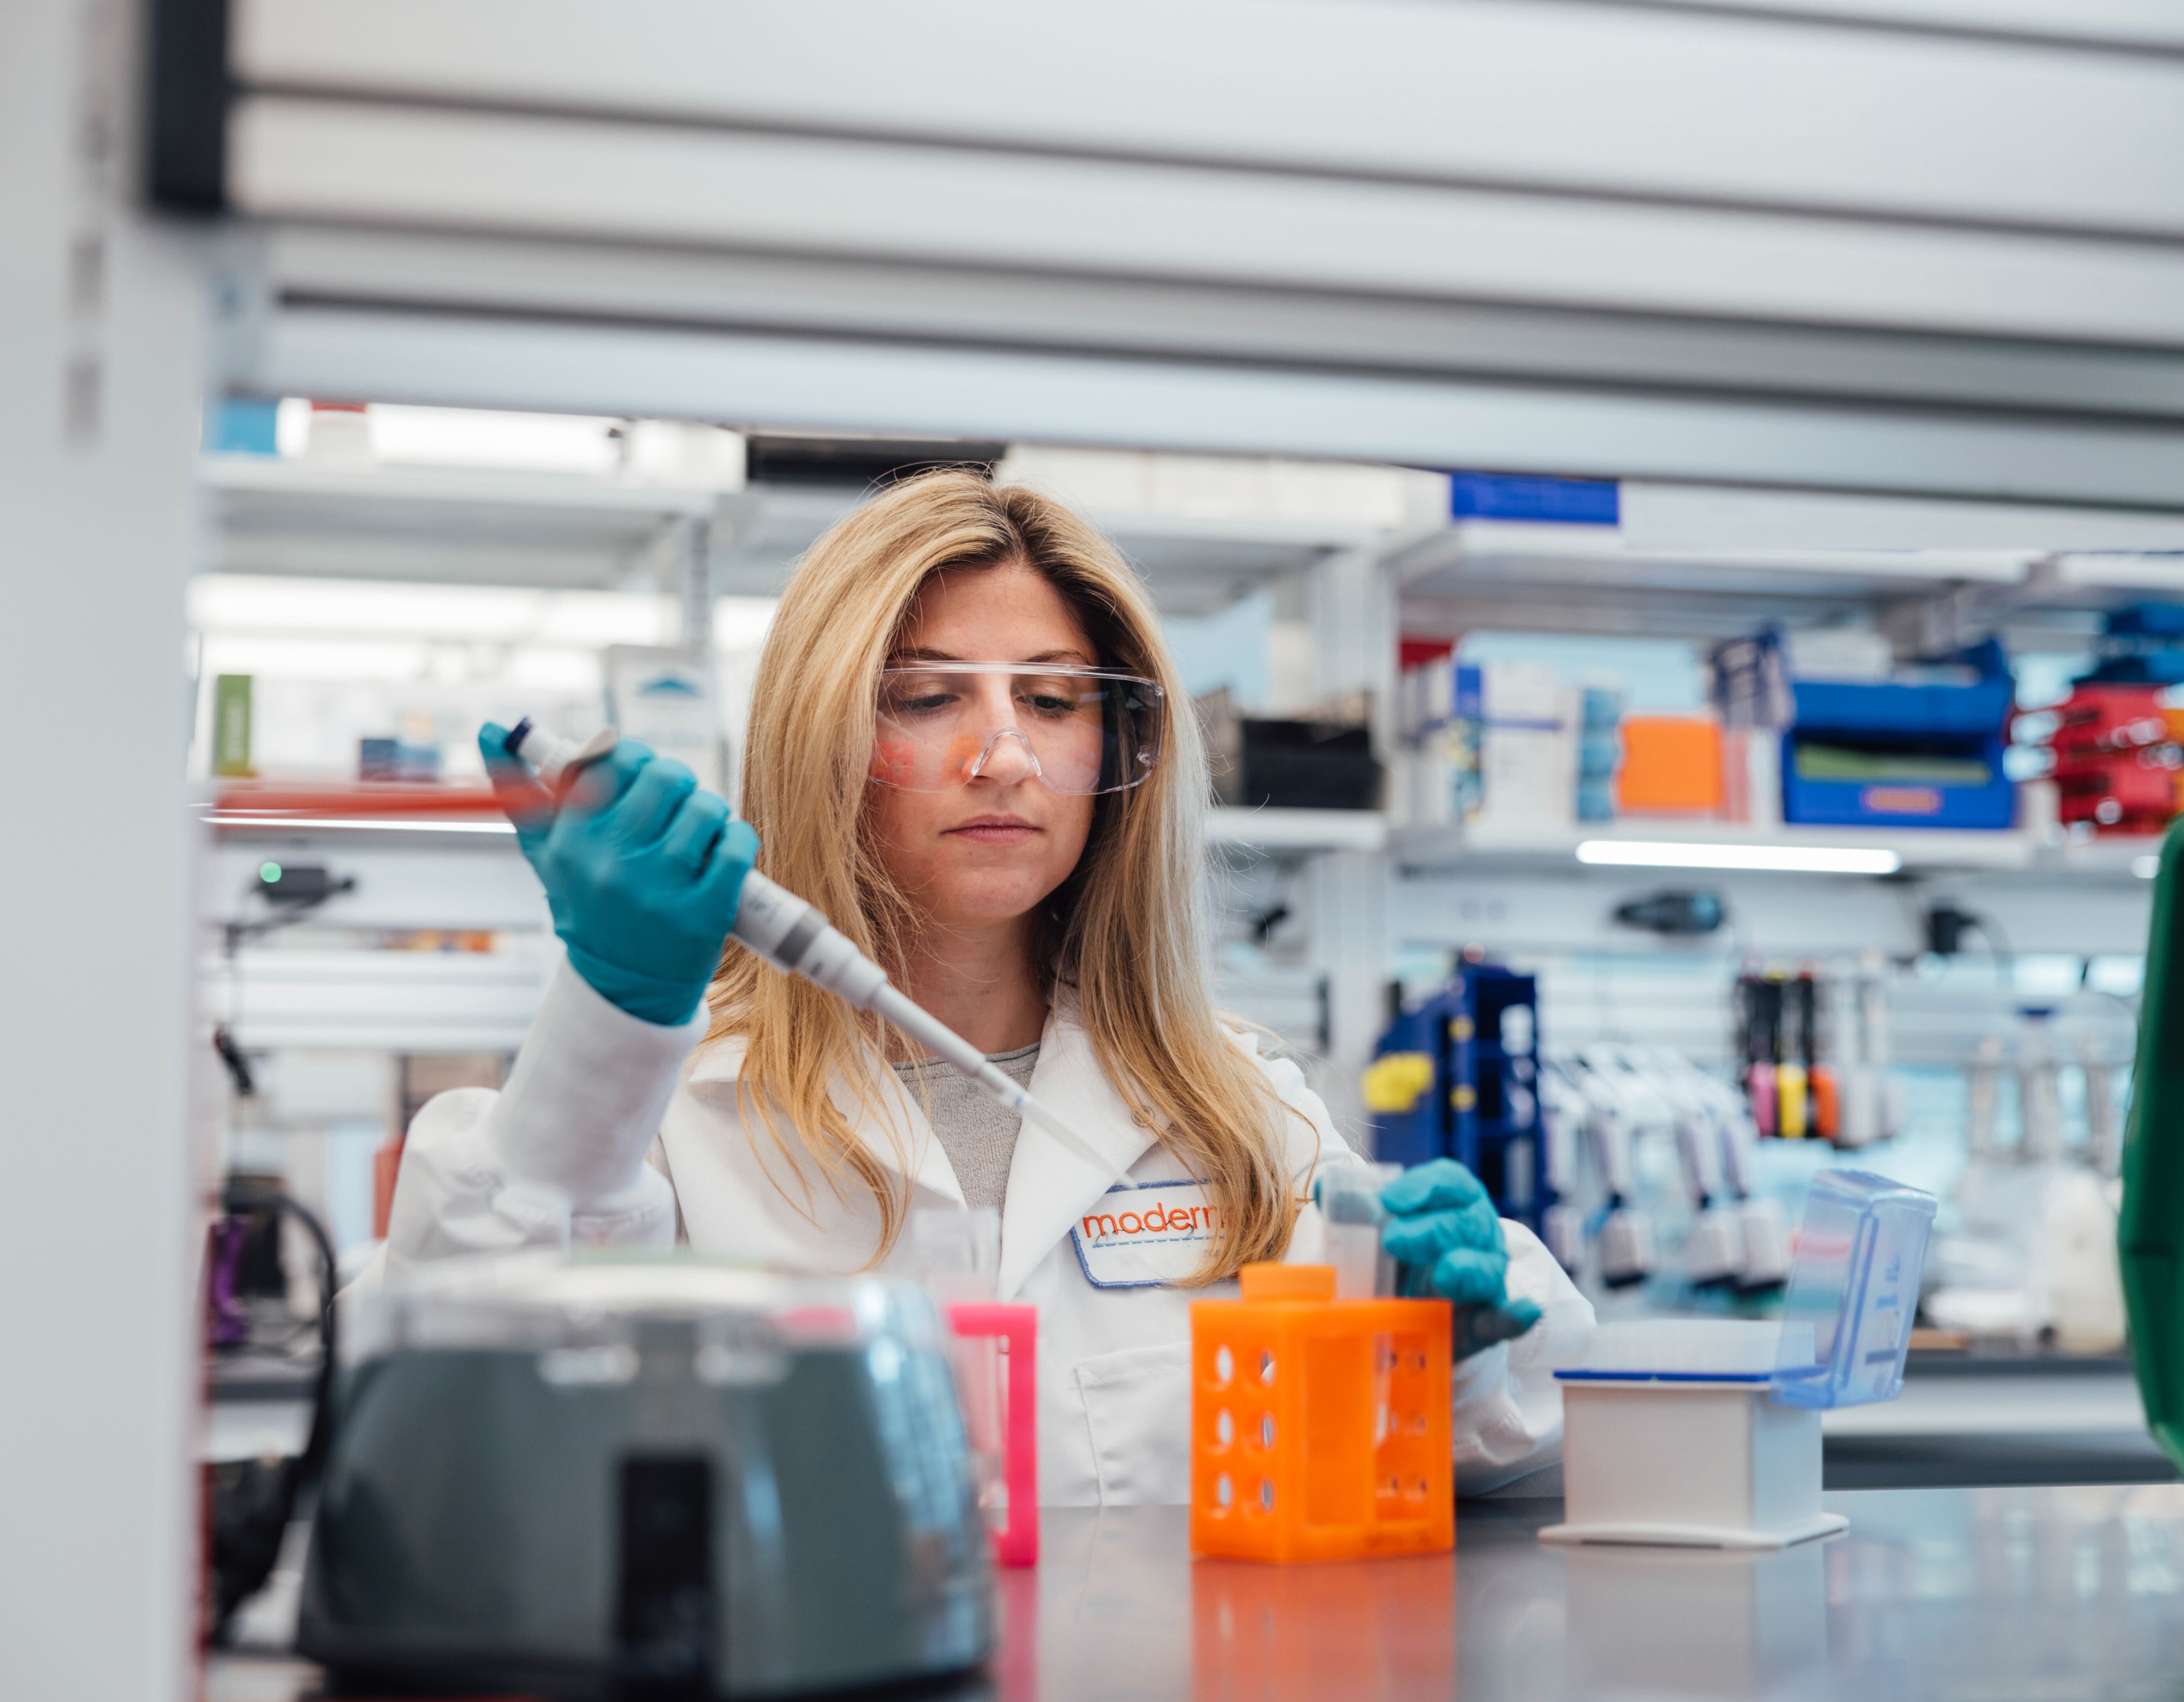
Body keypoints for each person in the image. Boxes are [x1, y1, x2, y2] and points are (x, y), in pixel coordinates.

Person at [382, 470, 1594, 1506]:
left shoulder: (1234, 1112)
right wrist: (607, 1015)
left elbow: (1537, 1446)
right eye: (926, 697)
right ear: (819, 739)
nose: (1004, 755)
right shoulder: (672, 1122)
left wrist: (1453, 1356)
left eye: (1052, 701)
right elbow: (451, 1442)